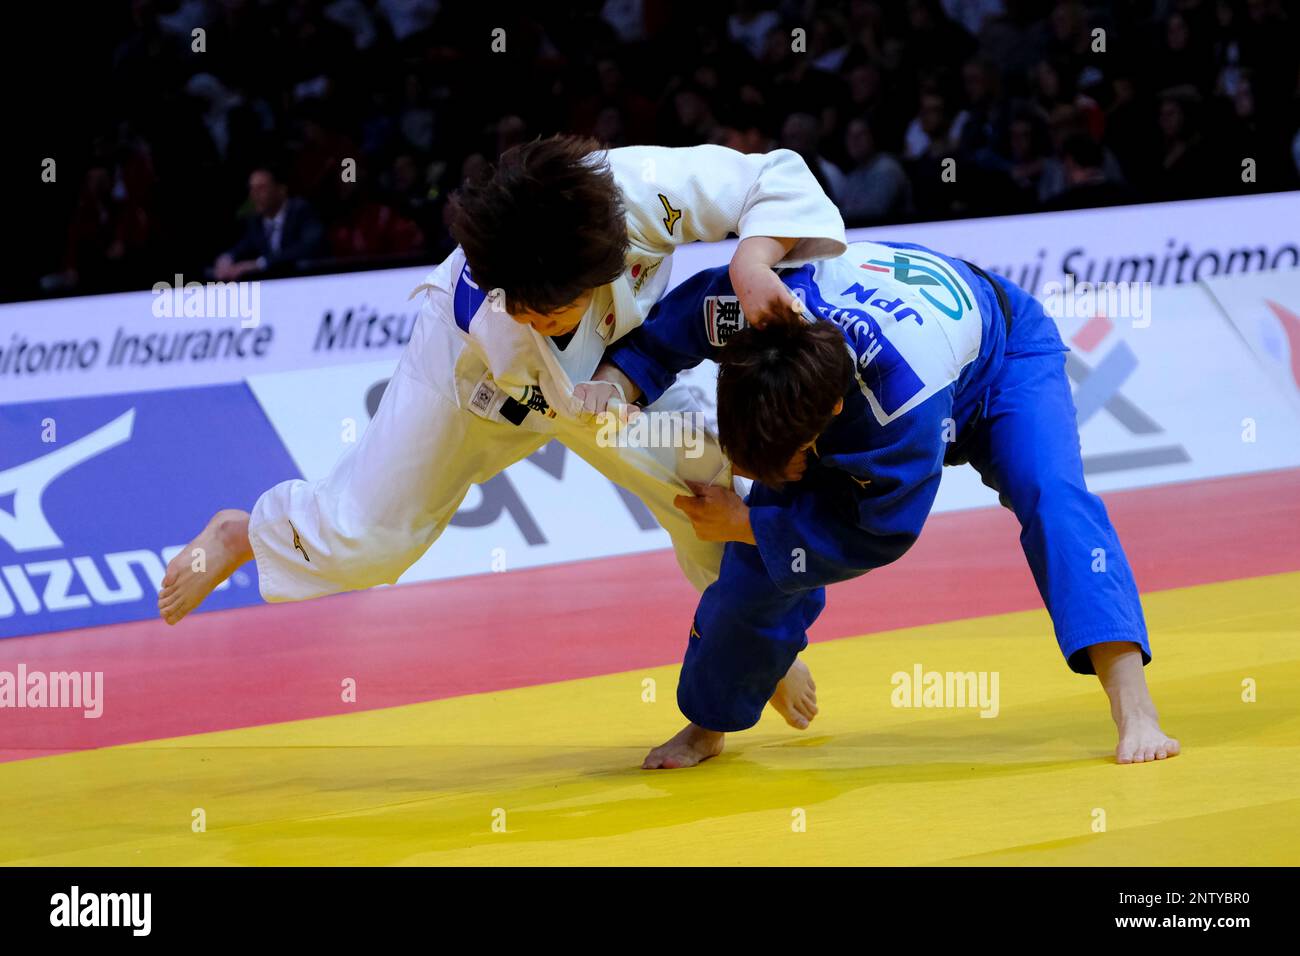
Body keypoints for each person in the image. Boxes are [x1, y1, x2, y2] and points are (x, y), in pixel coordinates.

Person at [159, 135, 846, 728]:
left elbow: (773, 177)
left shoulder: (638, 188)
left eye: (552, 309)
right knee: (366, 544)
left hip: (617, 365)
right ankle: (242, 532)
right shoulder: (496, 318)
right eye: (527, 308)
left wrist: (750, 263)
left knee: (706, 487)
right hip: (474, 387)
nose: (535, 316)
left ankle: (758, 645)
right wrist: (607, 382)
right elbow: (573, 399)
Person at [590, 239, 1180, 767]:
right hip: (849, 370)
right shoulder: (745, 304)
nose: (751, 473)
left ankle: (1134, 707)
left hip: (1003, 358)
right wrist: (614, 387)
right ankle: (711, 719)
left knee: (1052, 497)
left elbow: (876, 533)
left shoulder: (897, 416)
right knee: (760, 556)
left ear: (830, 422)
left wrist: (749, 521)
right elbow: (658, 338)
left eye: (784, 458)